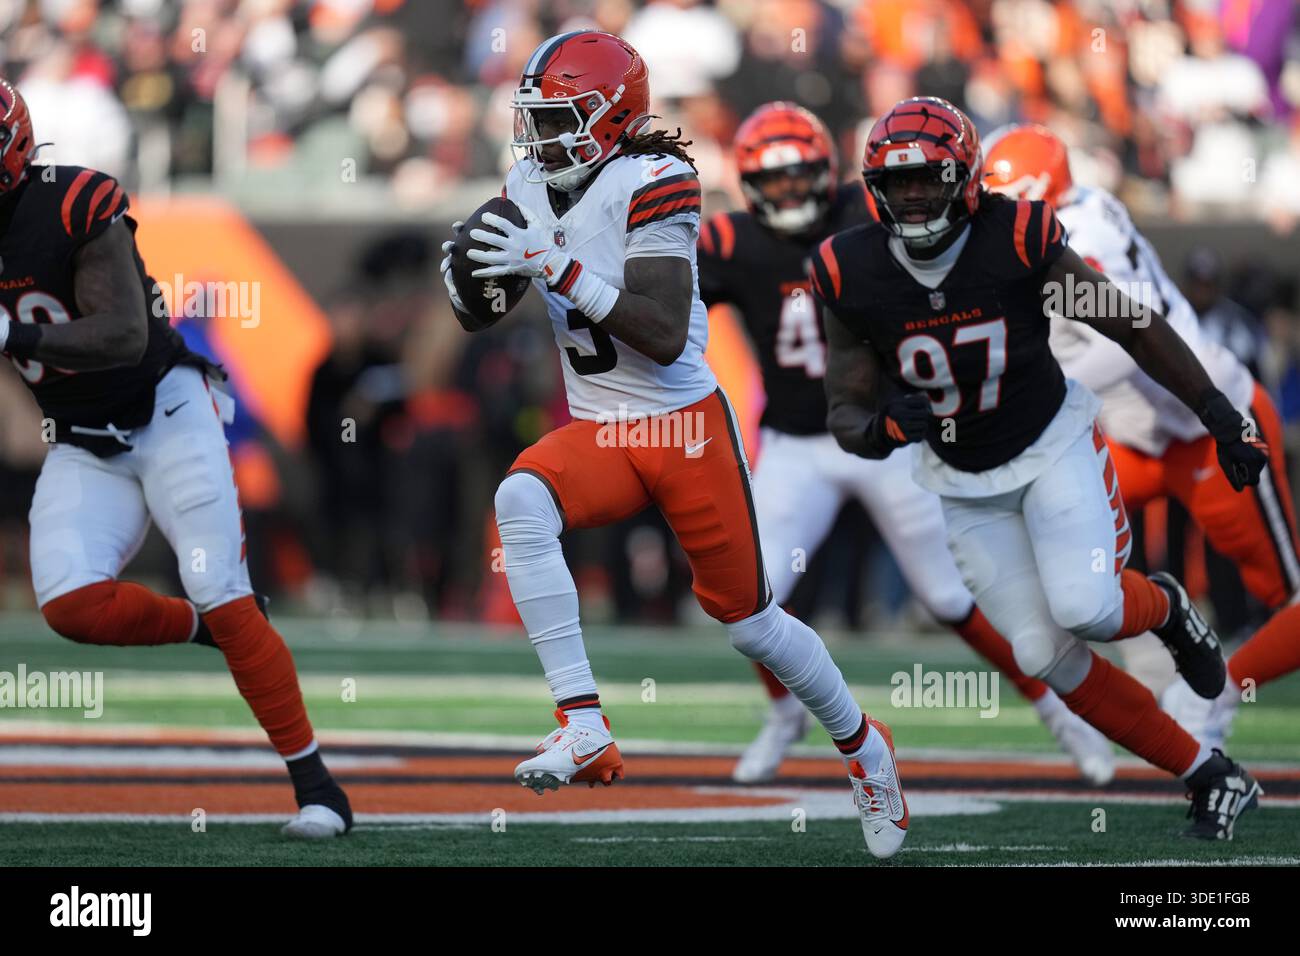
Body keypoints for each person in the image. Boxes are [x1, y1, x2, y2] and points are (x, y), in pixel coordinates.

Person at [440, 32, 907, 858]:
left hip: (684, 429)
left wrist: (552, 264)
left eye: (557, 118)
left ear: (610, 115)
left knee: (752, 623)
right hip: (601, 432)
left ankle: (866, 749)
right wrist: (474, 278)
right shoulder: (528, 181)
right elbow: (481, 311)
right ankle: (582, 724)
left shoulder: (659, 177)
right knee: (519, 498)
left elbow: (658, 332)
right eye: (534, 118)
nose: (538, 137)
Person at [814, 96, 1265, 839]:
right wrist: (884, 428)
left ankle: (1167, 607)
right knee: (1042, 655)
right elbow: (843, 412)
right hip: (963, 484)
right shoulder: (849, 269)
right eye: (900, 185)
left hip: (1052, 443)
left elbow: (1129, 322)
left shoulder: (1016, 238)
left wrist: (1218, 412)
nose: (916, 195)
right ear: (875, 190)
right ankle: (1209, 775)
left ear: (966, 178)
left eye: (930, 178)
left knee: (1089, 605)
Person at [697, 101, 1113, 786]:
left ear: (831, 170)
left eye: (801, 176)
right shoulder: (727, 242)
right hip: (798, 444)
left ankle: (1059, 715)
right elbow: (675, 312)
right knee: (748, 597)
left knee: (953, 601)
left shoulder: (878, 211)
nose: (790, 193)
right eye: (773, 183)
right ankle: (784, 715)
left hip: (889, 432)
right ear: (747, 187)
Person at [0, 78, 350, 838]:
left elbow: (123, 332)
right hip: (82, 442)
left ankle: (319, 788)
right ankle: (205, 629)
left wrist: (12, 337)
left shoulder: (72, 206)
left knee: (218, 582)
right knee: (72, 606)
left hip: (165, 410)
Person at [984, 123, 1300, 753]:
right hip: (1130, 437)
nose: (989, 211)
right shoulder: (1057, 220)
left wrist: (1028, 383)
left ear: (1040, 193)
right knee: (1060, 563)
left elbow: (1126, 348)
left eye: (1002, 197)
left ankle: (1214, 691)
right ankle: (1157, 664)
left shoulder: (1079, 236)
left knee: (1285, 600)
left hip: (1204, 424)